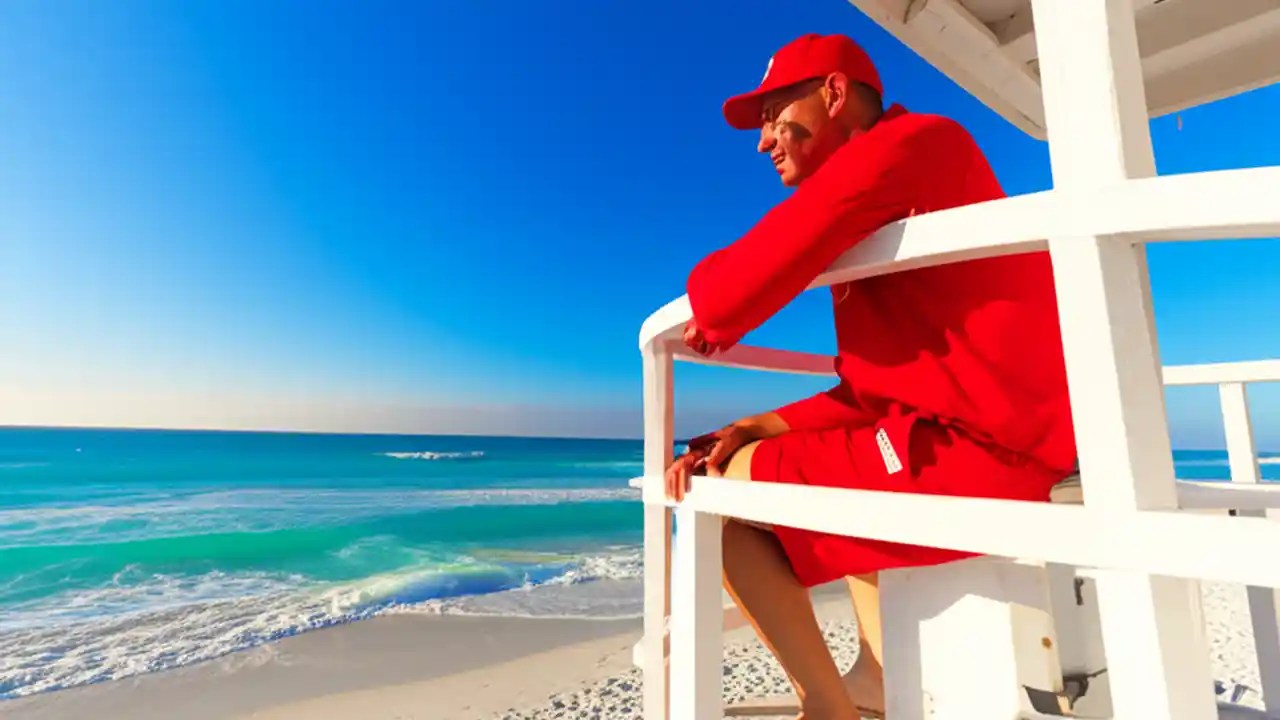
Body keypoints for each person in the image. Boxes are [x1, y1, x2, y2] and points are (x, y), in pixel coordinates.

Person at [664, 32, 1077, 720]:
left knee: (723, 502)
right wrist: (752, 426)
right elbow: (870, 394)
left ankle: (831, 710)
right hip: (961, 438)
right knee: (733, 482)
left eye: (773, 113)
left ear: (832, 94)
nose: (764, 139)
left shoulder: (916, 143)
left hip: (999, 451)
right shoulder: (883, 203)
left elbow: (727, 295)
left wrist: (710, 305)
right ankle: (869, 683)